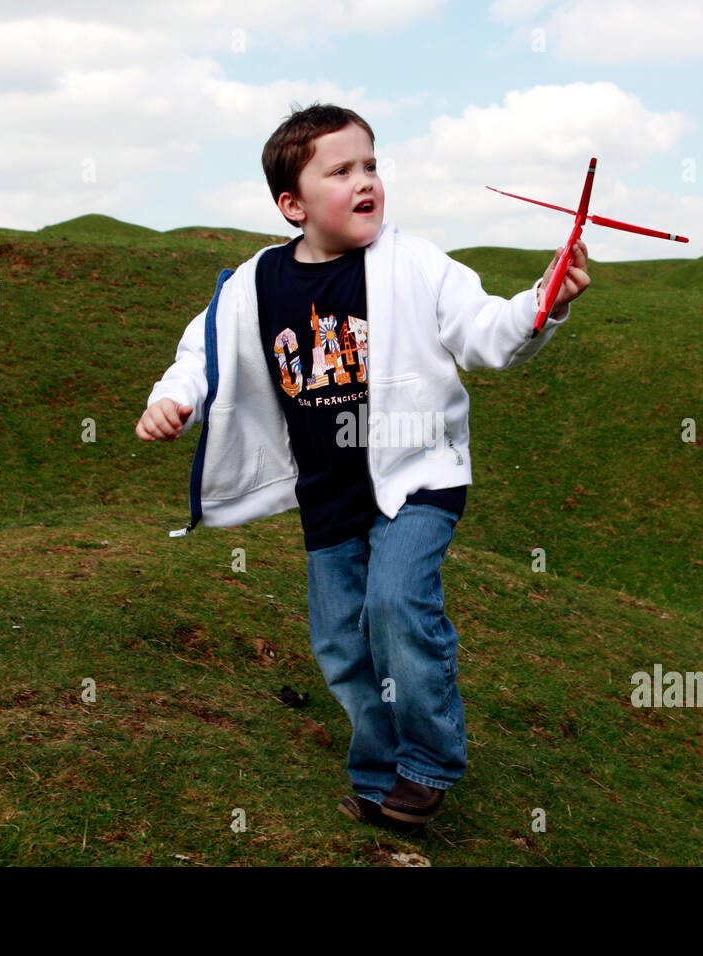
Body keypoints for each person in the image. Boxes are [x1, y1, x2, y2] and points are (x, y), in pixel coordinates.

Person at [135, 103, 589, 828]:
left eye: (371, 164)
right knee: (340, 644)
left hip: (420, 478)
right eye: (340, 170)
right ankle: (380, 780)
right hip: (329, 495)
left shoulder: (416, 265)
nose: (364, 180)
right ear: (293, 204)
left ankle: (429, 764)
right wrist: (173, 399)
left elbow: (485, 334)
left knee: (397, 603)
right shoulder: (258, 284)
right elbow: (204, 353)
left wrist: (541, 303)